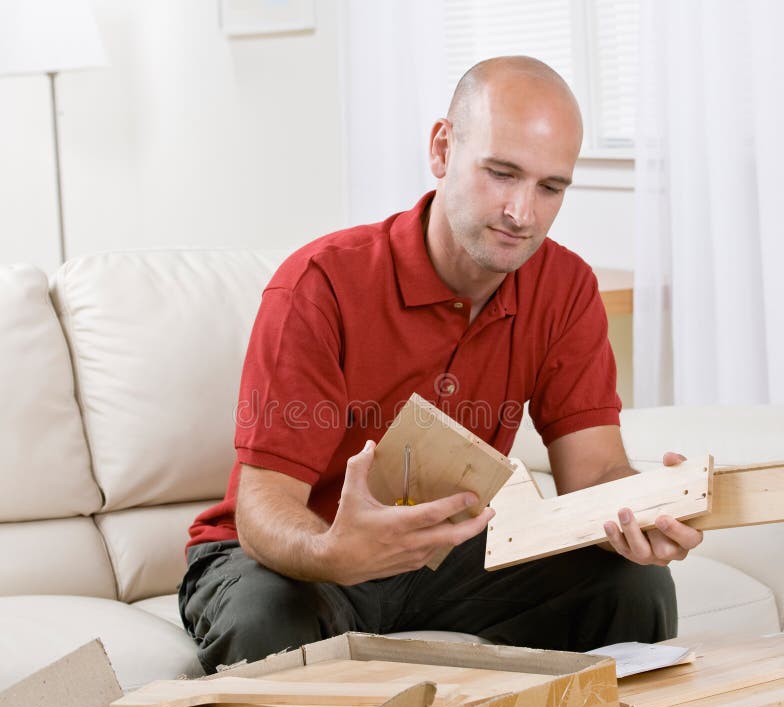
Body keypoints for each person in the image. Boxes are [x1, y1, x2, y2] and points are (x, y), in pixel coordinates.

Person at [179, 56, 703, 674]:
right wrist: (333, 552)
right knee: (269, 620)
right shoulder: (321, 285)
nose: (522, 213)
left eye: (550, 188)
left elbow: (593, 473)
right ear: (442, 148)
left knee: (632, 587)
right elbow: (263, 510)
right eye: (502, 174)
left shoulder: (565, 288)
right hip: (296, 555)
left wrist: (648, 508)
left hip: (445, 552)